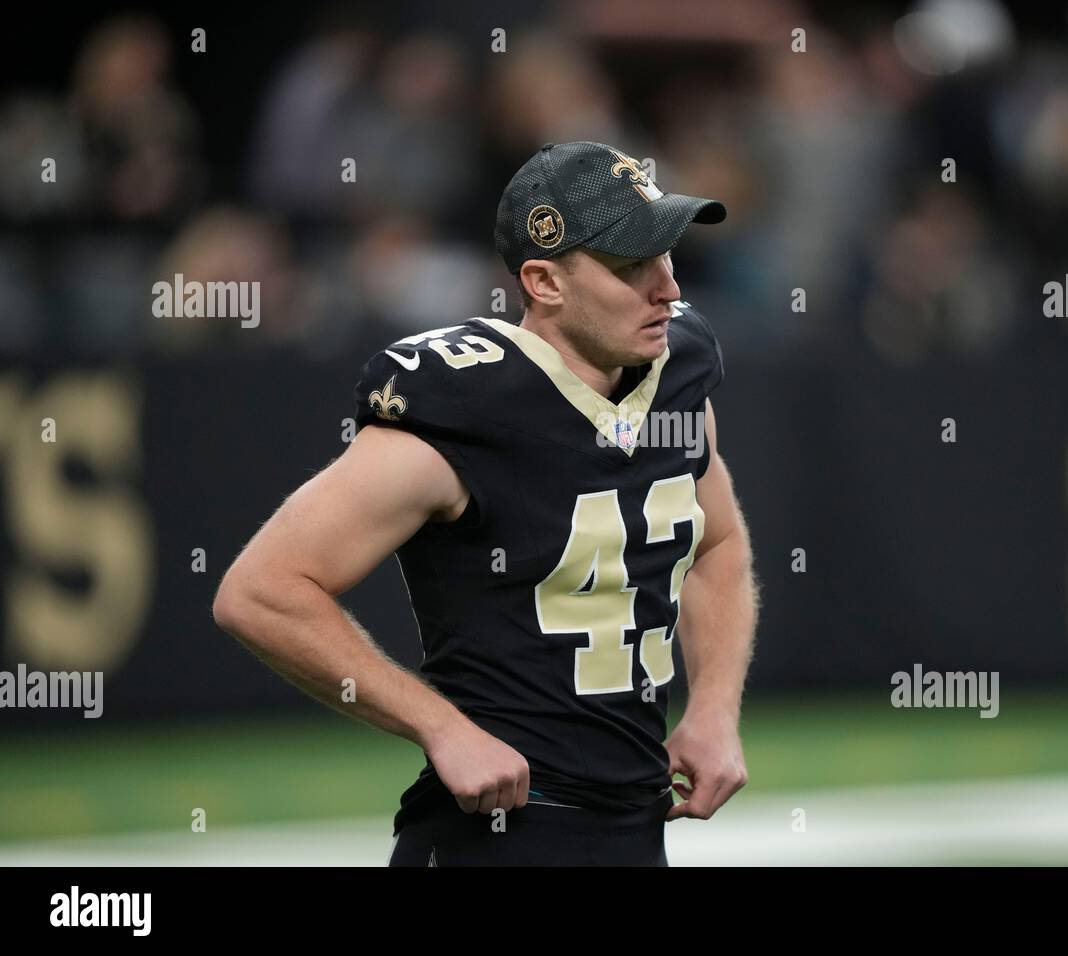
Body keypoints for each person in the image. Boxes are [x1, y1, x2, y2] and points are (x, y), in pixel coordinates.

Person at [213, 141, 758, 865]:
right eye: (632, 266)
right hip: (502, 833)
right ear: (544, 281)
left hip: (636, 826)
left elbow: (716, 543)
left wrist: (715, 708)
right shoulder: (465, 408)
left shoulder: (676, 371)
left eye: (667, 253)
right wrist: (440, 727)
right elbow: (260, 591)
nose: (666, 287)